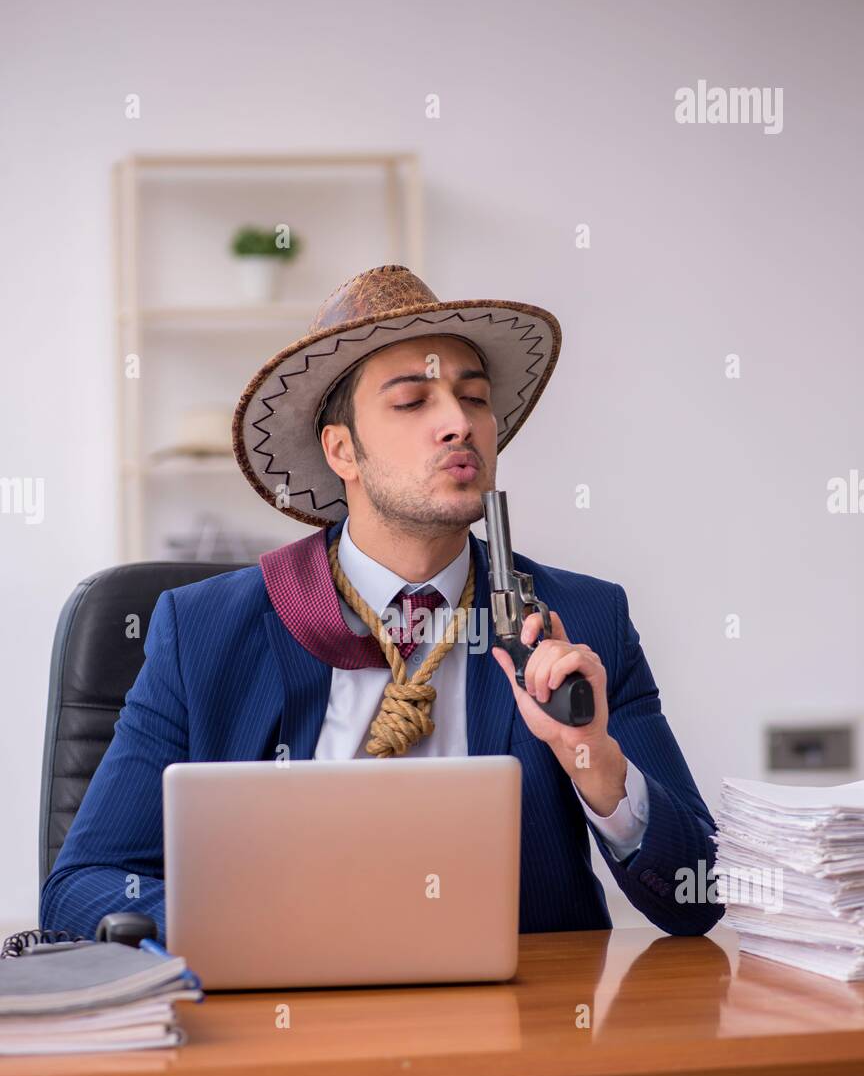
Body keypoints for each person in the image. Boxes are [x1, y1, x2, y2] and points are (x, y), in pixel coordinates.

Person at [41, 265, 724, 941]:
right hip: (282, 1022)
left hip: (524, 1027)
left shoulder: (583, 619)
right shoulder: (202, 633)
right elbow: (84, 886)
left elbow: (698, 897)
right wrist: (239, 928)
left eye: (474, 397)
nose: (458, 423)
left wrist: (590, 756)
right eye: (411, 402)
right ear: (341, 450)